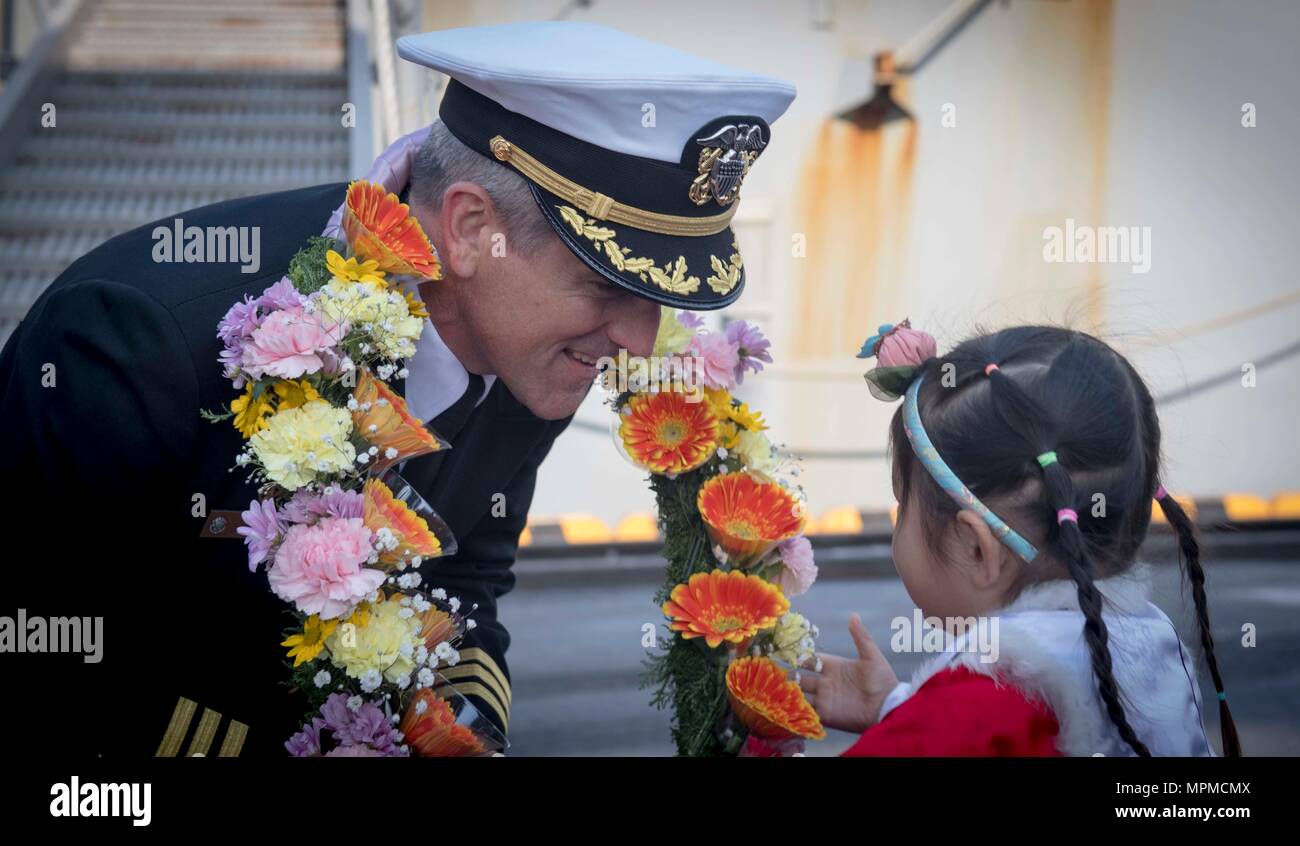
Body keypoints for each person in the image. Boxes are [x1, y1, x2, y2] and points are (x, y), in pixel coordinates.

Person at [0, 20, 795, 756]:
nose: (639, 339)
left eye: (660, 298)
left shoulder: (532, 351)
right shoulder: (127, 346)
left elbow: (466, 570)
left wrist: (456, 728)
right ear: (470, 228)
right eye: (606, 287)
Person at [800, 322, 1241, 756]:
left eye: (903, 507)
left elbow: (973, 732)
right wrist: (896, 708)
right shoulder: (1150, 648)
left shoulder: (971, 712)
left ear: (977, 549)